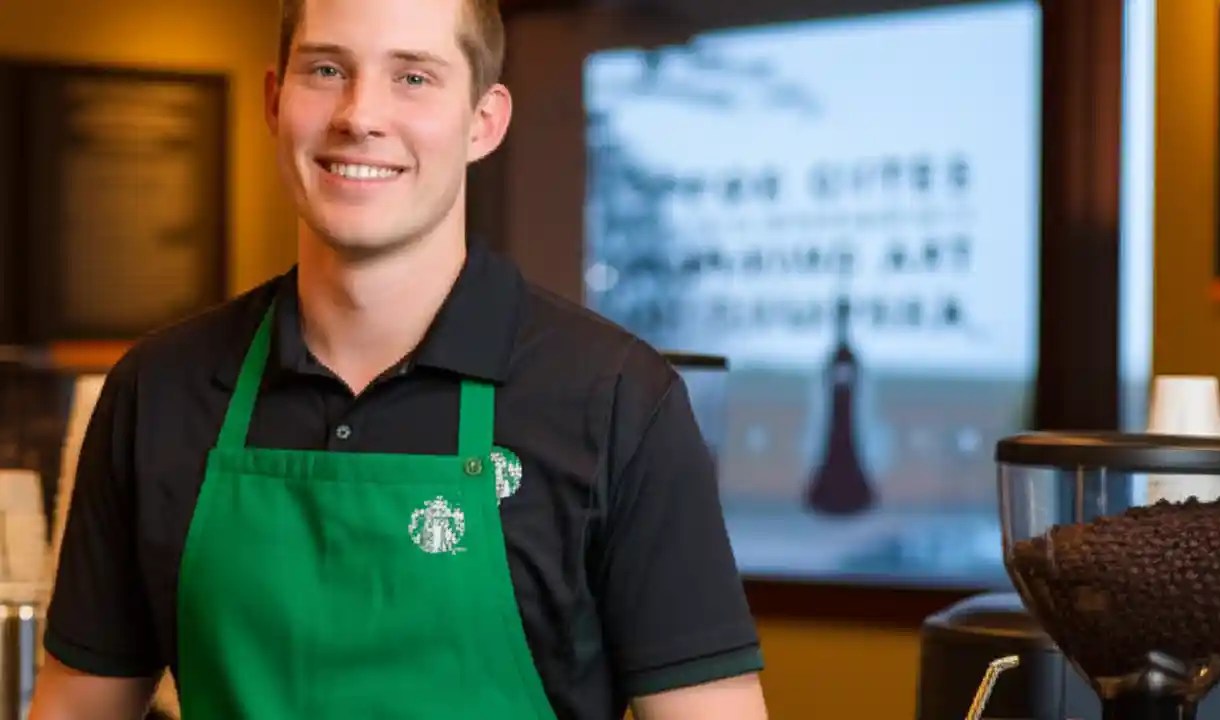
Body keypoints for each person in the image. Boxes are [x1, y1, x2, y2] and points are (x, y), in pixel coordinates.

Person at [28, 0, 768, 718]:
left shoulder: (617, 401)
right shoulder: (156, 392)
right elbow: (73, 709)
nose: (359, 115)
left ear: (484, 121)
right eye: (325, 69)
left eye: (412, 76)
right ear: (273, 99)